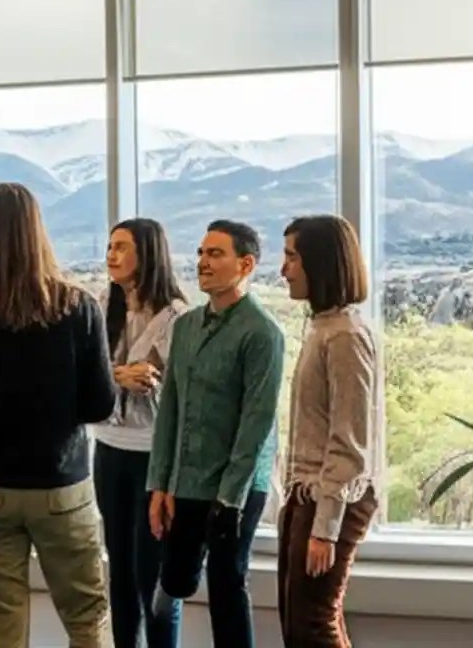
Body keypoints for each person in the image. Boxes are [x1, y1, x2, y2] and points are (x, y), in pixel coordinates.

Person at [0, 183, 116, 648]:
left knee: (2, 619)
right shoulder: (79, 307)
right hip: (61, 488)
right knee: (87, 616)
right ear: (38, 232)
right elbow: (100, 405)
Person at [147, 219, 285, 648]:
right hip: (185, 480)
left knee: (227, 585)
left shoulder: (262, 333)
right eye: (202, 253)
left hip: (236, 488)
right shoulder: (186, 327)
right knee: (173, 581)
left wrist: (229, 502)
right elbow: (169, 408)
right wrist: (160, 484)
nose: (203, 262)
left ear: (245, 265)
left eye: (216, 254)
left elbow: (256, 425)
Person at [277, 215, 380, 647]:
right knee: (301, 623)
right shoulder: (323, 329)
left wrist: (325, 526)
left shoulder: (344, 337)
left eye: (291, 256)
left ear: (319, 263)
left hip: (330, 498)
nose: (284, 269)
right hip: (309, 494)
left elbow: (350, 442)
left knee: (313, 625)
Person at [94, 219, 188, 648]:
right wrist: (118, 376)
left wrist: (147, 378)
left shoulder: (178, 318)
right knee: (119, 570)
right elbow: (81, 374)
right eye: (110, 246)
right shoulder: (101, 306)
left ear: (147, 254)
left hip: (155, 455)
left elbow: (186, 396)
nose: (111, 254)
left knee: (153, 572)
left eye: (122, 247)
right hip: (109, 449)